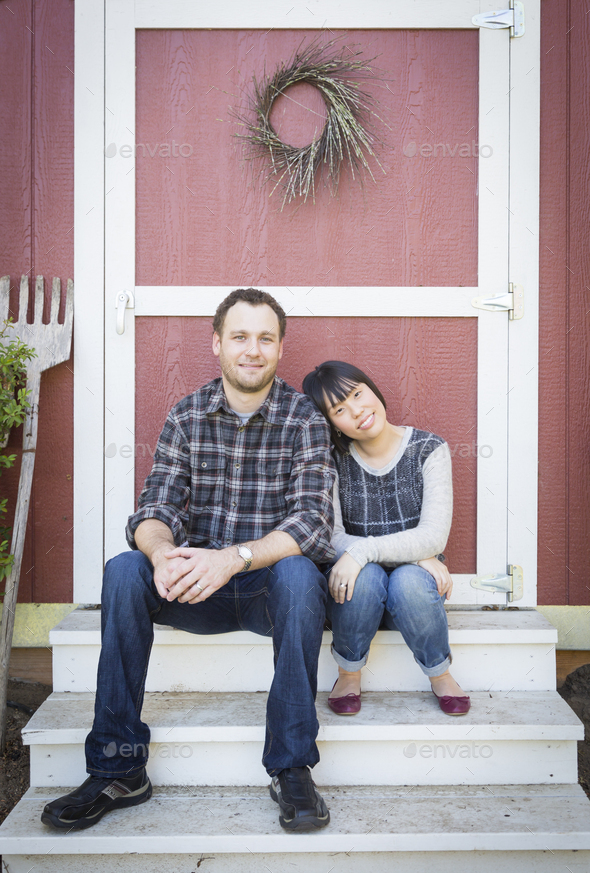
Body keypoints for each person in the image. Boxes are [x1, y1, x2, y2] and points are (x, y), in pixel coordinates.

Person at [42, 289, 336, 833]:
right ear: (218, 343)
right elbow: (154, 509)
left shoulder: (304, 420)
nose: (252, 349)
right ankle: (118, 767)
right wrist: (159, 553)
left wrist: (233, 559)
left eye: (265, 338)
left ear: (279, 347)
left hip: (263, 589)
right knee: (124, 569)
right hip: (192, 589)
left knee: (299, 574)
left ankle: (291, 766)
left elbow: (312, 524)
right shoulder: (187, 415)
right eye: (240, 336)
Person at [302, 360, 470, 717]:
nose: (358, 411)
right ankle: (348, 673)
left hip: (415, 598)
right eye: (340, 409)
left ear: (372, 388)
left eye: (358, 394)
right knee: (366, 576)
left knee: (408, 581)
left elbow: (434, 536)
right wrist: (411, 553)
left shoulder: (429, 449)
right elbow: (330, 536)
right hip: (355, 597)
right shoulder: (331, 461)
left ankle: (440, 675)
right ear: (332, 424)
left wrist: (365, 550)